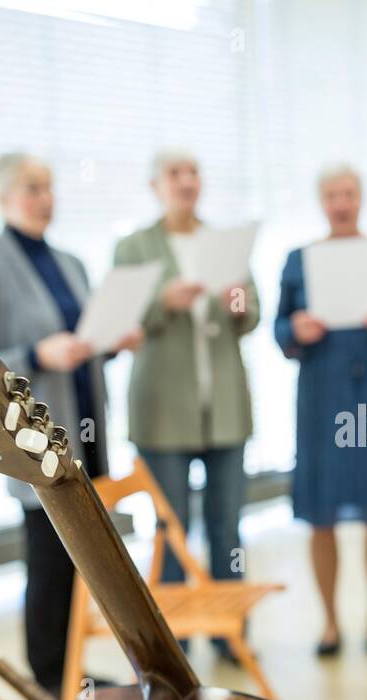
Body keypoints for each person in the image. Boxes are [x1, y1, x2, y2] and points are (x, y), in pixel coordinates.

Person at [0, 153, 142, 697]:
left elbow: (81, 346)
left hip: (87, 428)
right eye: (32, 188)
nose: (45, 197)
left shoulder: (70, 262)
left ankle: (72, 675)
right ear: (3, 198)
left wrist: (109, 344)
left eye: (49, 186)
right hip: (33, 439)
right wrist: (37, 354)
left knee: (84, 561)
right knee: (50, 562)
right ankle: (47, 679)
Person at [114, 148, 261, 664]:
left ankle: (229, 631)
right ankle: (170, 642)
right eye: (175, 174)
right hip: (162, 410)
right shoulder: (134, 247)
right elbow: (118, 323)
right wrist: (162, 304)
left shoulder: (225, 244)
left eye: (194, 172)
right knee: (168, 529)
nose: (186, 182)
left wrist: (235, 299)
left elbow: (250, 316)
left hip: (223, 406)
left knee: (228, 524)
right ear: (155, 185)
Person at [275, 164, 367, 656]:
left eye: (349, 194)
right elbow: (277, 331)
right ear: (321, 201)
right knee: (322, 514)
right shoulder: (298, 260)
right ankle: (330, 622)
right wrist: (296, 330)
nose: (341, 203)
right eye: (332, 195)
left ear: (361, 198)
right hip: (320, 396)